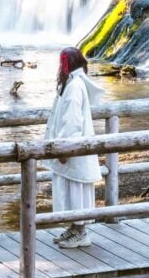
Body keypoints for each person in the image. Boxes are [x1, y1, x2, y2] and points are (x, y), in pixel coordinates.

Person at [44, 46, 104, 248]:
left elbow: (72, 121)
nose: (60, 67)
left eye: (63, 63)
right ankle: (73, 227)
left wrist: (64, 148)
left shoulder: (75, 86)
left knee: (76, 189)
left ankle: (81, 232)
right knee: (68, 189)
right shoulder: (71, 83)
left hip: (73, 150)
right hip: (70, 149)